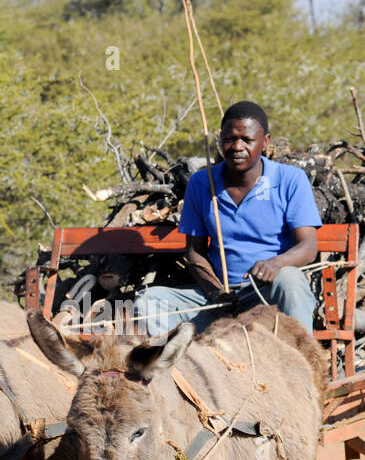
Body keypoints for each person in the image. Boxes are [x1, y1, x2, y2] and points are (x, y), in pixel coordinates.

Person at [134, 101, 321, 336]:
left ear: (265, 142)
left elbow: (308, 246)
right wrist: (215, 292)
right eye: (230, 139)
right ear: (220, 141)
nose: (237, 146)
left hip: (266, 294)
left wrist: (276, 264)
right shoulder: (202, 183)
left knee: (291, 279)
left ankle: (300, 363)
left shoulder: (291, 180)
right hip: (220, 299)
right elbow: (194, 252)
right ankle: (175, 369)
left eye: (247, 140)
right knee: (150, 300)